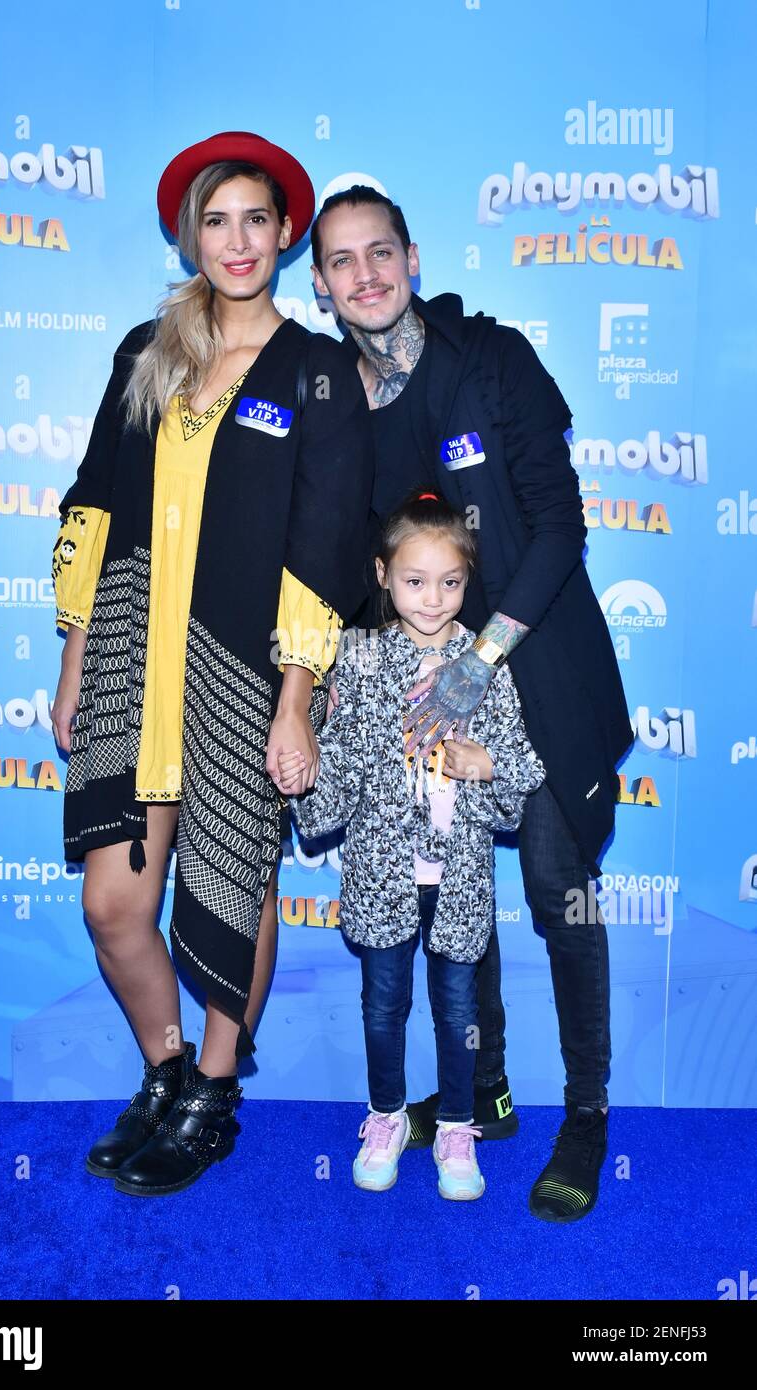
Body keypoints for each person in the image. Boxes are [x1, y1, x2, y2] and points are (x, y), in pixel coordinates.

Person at [49, 132, 372, 1197]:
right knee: (113, 905)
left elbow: (323, 548)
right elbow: (94, 502)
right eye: (215, 220)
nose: (235, 241)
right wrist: (72, 656)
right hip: (135, 664)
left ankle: (216, 1090)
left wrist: (297, 701)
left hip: (242, 671)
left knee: (236, 883)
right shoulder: (151, 349)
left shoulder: (319, 372)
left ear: (285, 237)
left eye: (255, 220)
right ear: (191, 233)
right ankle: (165, 1068)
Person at [309, 186, 635, 1223]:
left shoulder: (488, 358)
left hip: (532, 672)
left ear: (411, 256)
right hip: (413, 678)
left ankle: (584, 1109)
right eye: (341, 262)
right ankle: (479, 1089)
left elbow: (559, 527)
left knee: (551, 883)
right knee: (444, 877)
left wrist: (477, 662)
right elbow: (340, 565)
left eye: (380, 253)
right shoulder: (329, 403)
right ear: (317, 286)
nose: (365, 276)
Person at [281, 490, 545, 1199]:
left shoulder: (487, 664)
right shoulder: (361, 661)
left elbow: (522, 769)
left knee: (458, 1010)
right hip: (381, 871)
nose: (433, 599)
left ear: (469, 581)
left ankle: (458, 1126)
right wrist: (302, 778)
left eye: (451, 582)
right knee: (381, 1003)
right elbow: (334, 762)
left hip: (458, 875)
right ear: (382, 576)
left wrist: (481, 762)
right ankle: (386, 1116)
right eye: (415, 580)